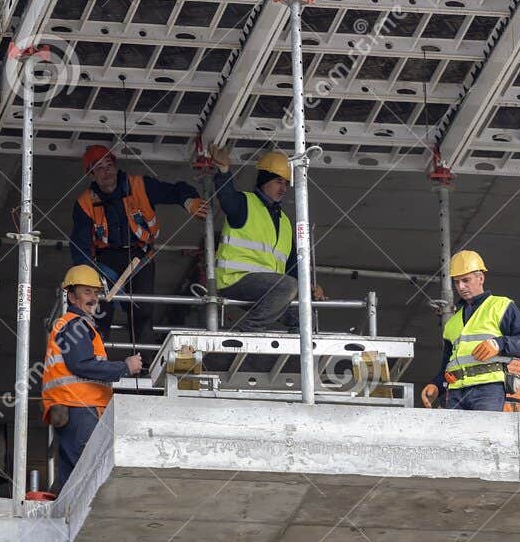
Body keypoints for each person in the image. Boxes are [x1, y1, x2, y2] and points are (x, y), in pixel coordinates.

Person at [69, 143, 209, 341]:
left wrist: (189, 201)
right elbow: (79, 245)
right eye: (98, 168)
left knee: (142, 313)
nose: (106, 172)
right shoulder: (85, 202)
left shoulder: (140, 186)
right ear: (91, 175)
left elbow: (174, 190)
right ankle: (95, 360)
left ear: (115, 166)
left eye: (108, 166)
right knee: (100, 309)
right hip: (105, 262)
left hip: (140, 258)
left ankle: (143, 365)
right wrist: (82, 278)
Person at [42, 265, 144, 486]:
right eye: (87, 292)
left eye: (96, 292)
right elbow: (82, 365)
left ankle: (57, 514)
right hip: (80, 408)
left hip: (73, 406)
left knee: (72, 477)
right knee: (89, 474)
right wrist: (124, 367)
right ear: (71, 296)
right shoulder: (75, 325)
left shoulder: (75, 325)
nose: (93, 297)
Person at [208, 145, 323, 329]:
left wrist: (309, 288)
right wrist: (223, 171)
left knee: (305, 318)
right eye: (278, 181)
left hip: (268, 288)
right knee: (286, 286)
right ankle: (248, 332)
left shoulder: (284, 222)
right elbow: (227, 196)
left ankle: (298, 357)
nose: (283, 188)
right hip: (235, 280)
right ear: (264, 180)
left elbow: (292, 266)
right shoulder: (245, 203)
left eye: (286, 183)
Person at [422, 250, 520, 412]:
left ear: (480, 278)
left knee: (484, 435)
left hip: (487, 389)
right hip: (456, 391)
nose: (461, 287)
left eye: (466, 280)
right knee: (456, 437)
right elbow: (447, 363)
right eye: (457, 282)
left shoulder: (500, 306)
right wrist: (437, 384)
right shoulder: (452, 323)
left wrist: (499, 343)